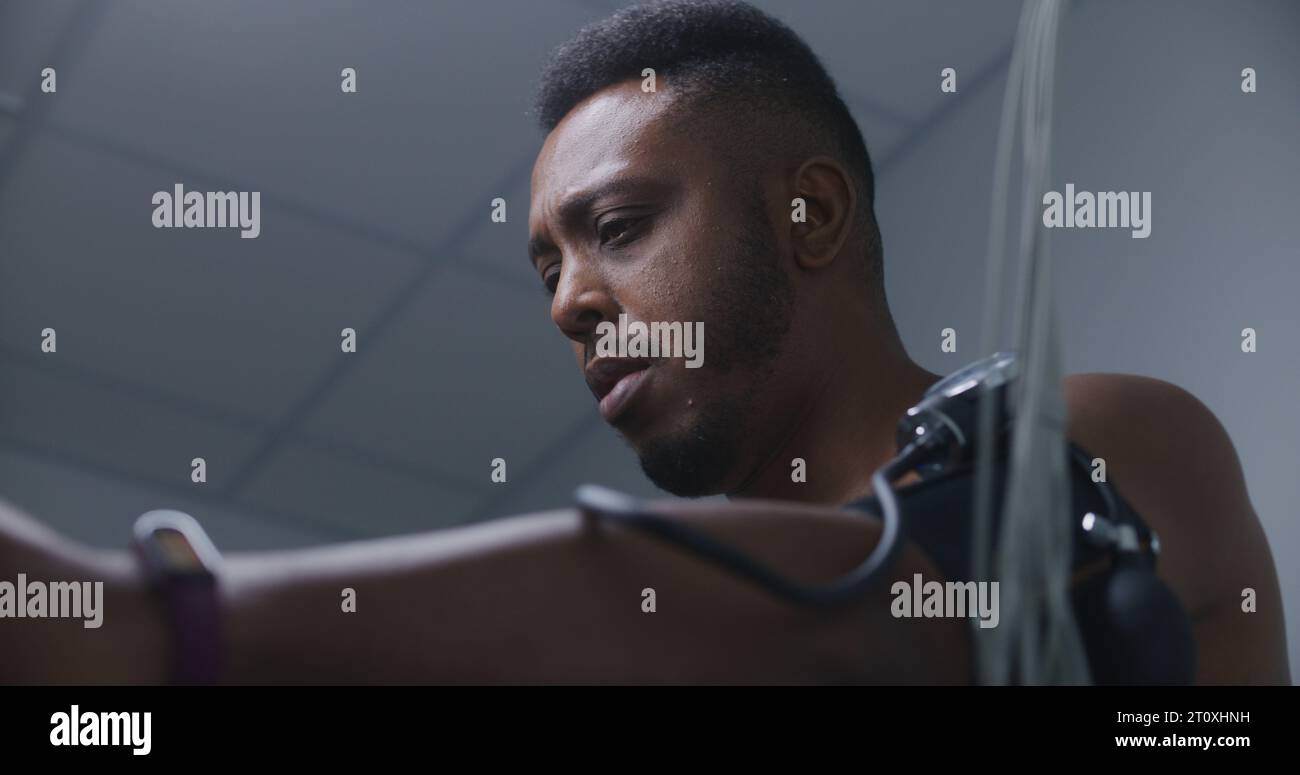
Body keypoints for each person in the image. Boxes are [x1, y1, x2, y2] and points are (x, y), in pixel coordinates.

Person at [0, 0, 1288, 685]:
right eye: (547, 268)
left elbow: (877, 619)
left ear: (810, 211)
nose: (568, 303)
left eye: (615, 227)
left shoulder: (1119, 442)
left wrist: (160, 634)